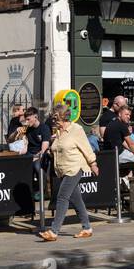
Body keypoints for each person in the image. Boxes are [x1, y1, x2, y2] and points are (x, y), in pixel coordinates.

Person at [40, 103, 97, 242]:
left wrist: (93, 163)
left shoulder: (76, 129)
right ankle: (87, 228)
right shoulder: (58, 133)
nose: (55, 122)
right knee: (76, 199)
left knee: (62, 197)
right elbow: (56, 149)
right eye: (54, 120)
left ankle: (54, 231)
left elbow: (86, 147)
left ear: (64, 118)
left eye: (57, 119)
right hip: (63, 170)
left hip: (74, 168)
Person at [103, 104, 134, 179]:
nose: (128, 117)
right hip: (116, 155)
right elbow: (131, 144)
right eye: (126, 114)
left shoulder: (112, 123)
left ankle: (125, 179)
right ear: (119, 114)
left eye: (129, 115)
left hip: (108, 155)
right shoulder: (122, 125)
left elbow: (123, 143)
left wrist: (133, 150)